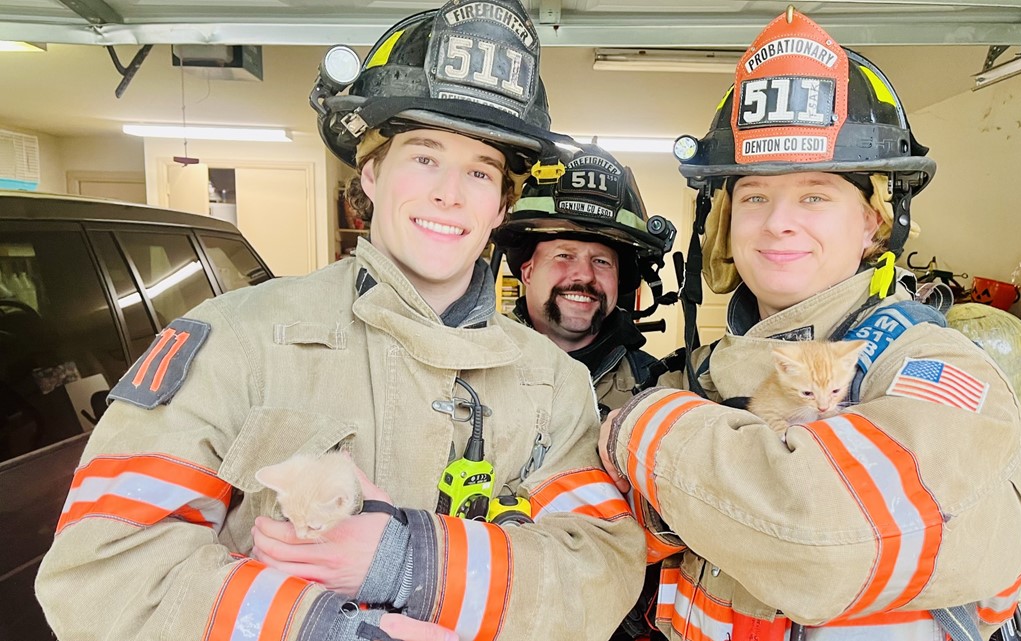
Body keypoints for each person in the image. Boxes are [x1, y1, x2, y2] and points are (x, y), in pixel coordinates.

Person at [35, 2, 645, 641]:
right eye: (424, 157)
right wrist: (330, 630)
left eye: (480, 172)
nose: (449, 193)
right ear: (373, 174)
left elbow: (601, 571)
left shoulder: (554, 383)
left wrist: (410, 563)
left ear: (500, 208)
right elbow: (103, 570)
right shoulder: (235, 340)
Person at [597, 9, 1021, 641]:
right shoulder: (698, 376)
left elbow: (821, 540)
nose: (779, 222)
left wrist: (640, 426)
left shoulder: (934, 365)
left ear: (872, 225)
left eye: (815, 194)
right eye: (754, 196)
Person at [492, 144, 677, 415]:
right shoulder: (475, 368)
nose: (585, 275)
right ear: (527, 271)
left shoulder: (654, 393)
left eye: (601, 261)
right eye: (564, 255)